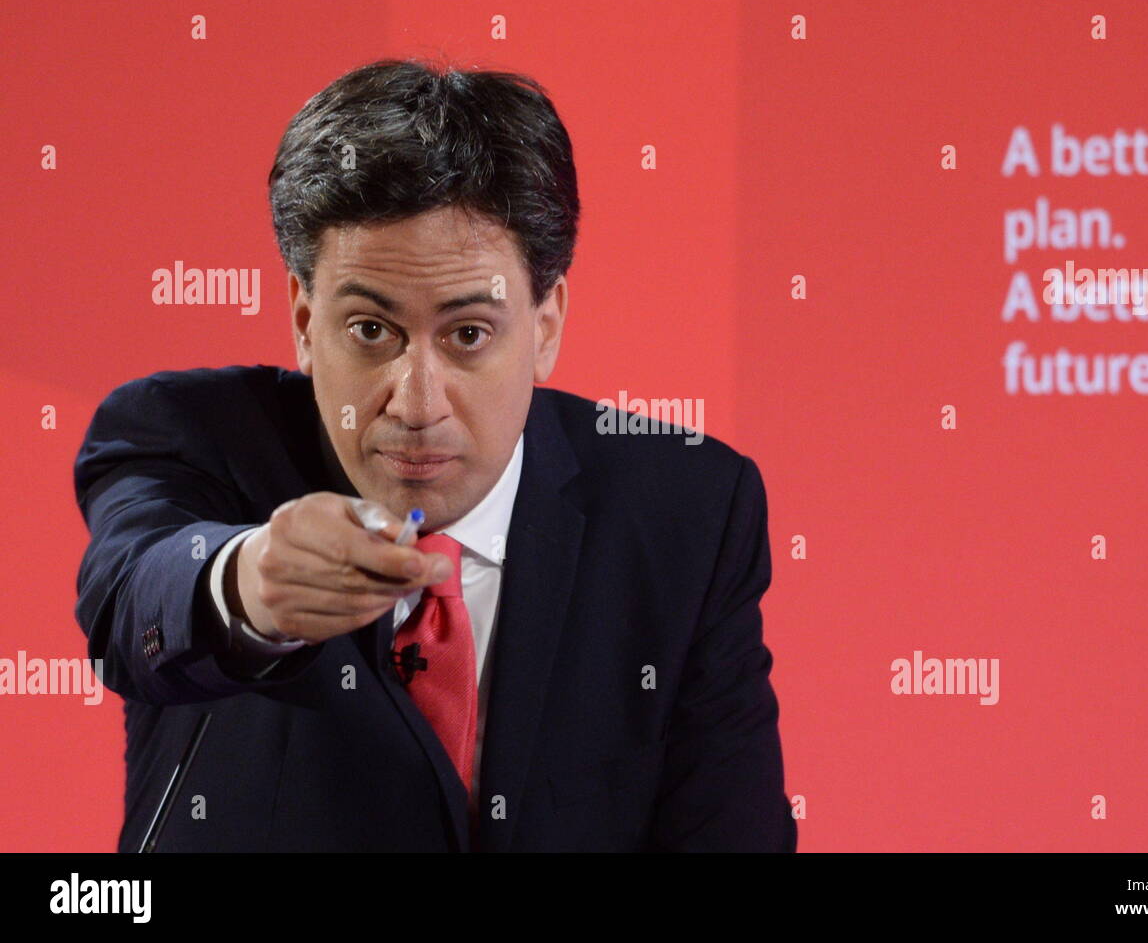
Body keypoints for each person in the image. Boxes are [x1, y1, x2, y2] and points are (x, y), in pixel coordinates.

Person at [73, 58, 795, 852]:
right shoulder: (188, 434)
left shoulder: (689, 513)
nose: (417, 404)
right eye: (370, 330)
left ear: (546, 324)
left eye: (468, 334)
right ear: (304, 320)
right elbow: (132, 600)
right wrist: (247, 583)